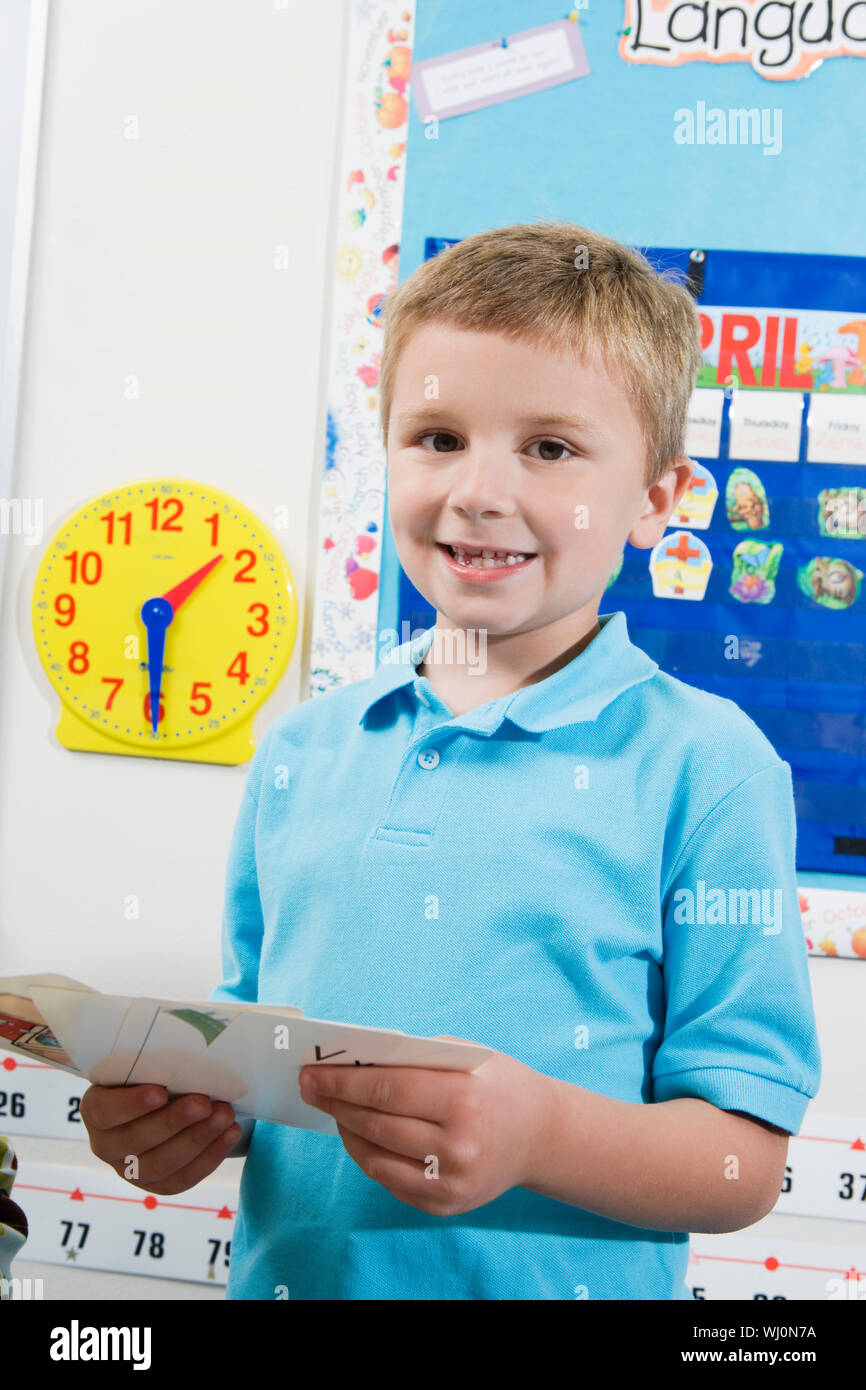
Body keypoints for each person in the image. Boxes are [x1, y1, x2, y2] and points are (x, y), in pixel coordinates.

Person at [80, 220, 821, 1300]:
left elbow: (738, 1166)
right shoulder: (302, 751)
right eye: (435, 437)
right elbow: (258, 1054)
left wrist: (541, 1135)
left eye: (549, 447)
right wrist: (187, 1120)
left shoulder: (710, 770)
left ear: (658, 502)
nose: (478, 490)